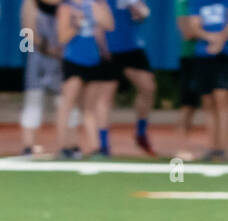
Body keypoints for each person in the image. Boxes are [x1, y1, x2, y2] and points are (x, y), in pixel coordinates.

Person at [97, 0, 156, 156]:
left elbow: (141, 15)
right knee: (105, 97)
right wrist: (101, 46)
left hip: (131, 47)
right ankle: (103, 146)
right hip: (108, 47)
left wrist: (139, 13)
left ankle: (141, 133)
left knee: (148, 87)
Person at [57, 0, 114, 158]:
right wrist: (76, 24)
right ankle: (63, 146)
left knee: (89, 107)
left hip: (93, 59)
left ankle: (96, 148)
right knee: (67, 104)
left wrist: (98, 12)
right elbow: (62, 37)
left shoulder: (98, 3)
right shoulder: (67, 6)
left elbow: (110, 25)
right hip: (74, 60)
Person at [20, 0, 68, 155]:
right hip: (38, 58)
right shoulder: (30, 3)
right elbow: (27, 33)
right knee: (33, 99)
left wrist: (63, 50)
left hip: (63, 58)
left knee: (66, 101)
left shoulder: (68, 3)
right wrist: (45, 48)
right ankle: (28, 145)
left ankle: (68, 145)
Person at [188, 1, 228, 161]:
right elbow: (193, 26)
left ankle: (224, 148)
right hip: (203, 56)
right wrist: (210, 37)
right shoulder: (196, 2)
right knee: (207, 102)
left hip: (224, 56)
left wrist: (220, 41)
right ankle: (213, 148)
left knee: (222, 102)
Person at [175, 0, 204, 160]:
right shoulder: (183, 2)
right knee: (188, 105)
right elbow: (187, 31)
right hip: (192, 56)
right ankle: (182, 147)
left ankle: (219, 148)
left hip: (217, 57)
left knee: (218, 104)